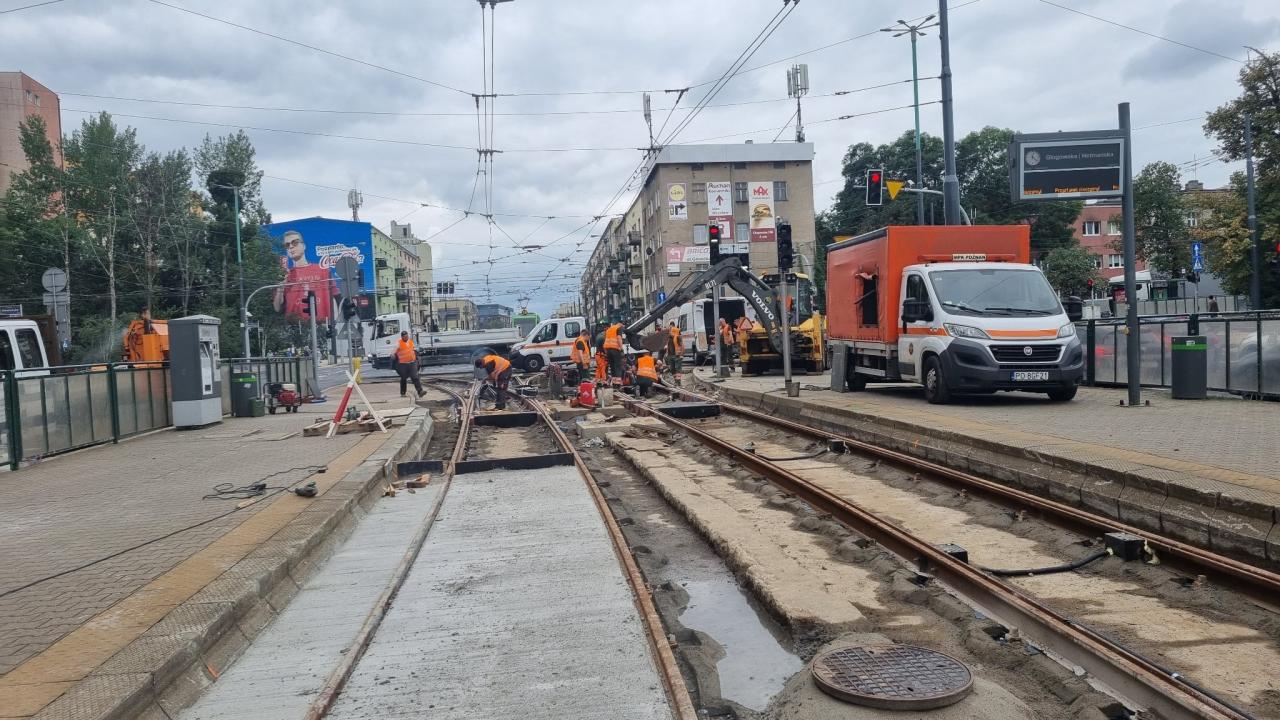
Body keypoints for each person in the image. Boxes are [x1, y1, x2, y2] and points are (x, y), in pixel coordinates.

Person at [273, 230, 339, 321]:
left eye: (295, 243)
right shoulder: (284, 275)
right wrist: (280, 287)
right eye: (287, 245)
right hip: (296, 328)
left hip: (323, 326)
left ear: (304, 246)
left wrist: (335, 322)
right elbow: (277, 308)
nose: (291, 247)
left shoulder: (323, 270)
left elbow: (335, 298)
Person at [395, 331, 423, 398]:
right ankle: (403, 392)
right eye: (405, 337)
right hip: (403, 364)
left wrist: (416, 358)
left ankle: (420, 392)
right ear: (402, 337)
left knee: (415, 377)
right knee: (403, 378)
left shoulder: (410, 341)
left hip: (412, 362)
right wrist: (393, 355)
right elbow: (394, 352)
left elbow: (413, 350)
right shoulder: (399, 343)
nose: (406, 337)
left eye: (407, 336)